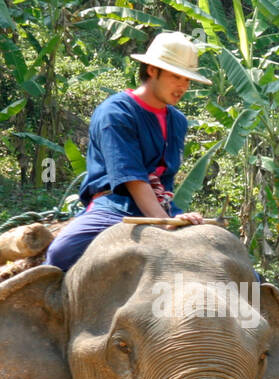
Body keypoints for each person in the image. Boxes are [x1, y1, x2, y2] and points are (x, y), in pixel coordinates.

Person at [45, 32, 211, 272]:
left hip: (163, 207)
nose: (183, 86)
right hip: (114, 207)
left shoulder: (178, 121)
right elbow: (133, 179)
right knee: (61, 252)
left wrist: (178, 217)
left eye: (188, 80)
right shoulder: (116, 113)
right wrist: (164, 223)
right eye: (176, 76)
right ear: (152, 70)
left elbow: (166, 181)